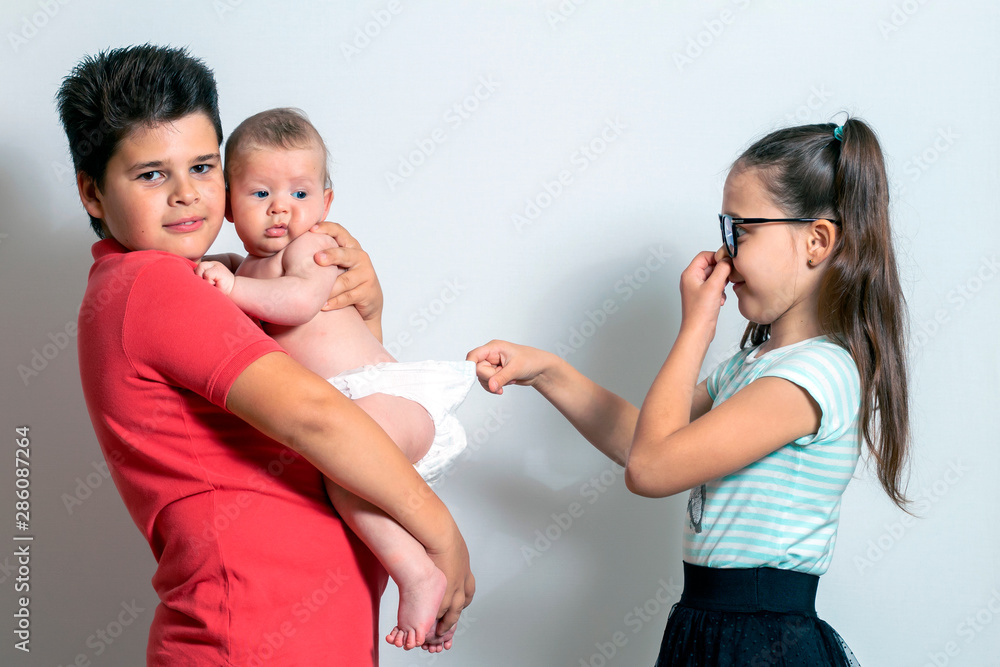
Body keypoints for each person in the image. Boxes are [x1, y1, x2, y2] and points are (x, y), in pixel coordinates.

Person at [57, 44, 474, 666]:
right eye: (150, 175)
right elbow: (318, 415)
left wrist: (363, 310)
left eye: (202, 167)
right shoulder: (151, 283)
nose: (186, 195)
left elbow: (342, 385)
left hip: (303, 636)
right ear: (93, 193)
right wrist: (443, 537)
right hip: (250, 639)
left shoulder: (205, 282)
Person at [469, 119, 909, 666]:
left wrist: (696, 328)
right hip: (709, 626)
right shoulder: (752, 366)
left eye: (741, 230)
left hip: (762, 643)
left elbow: (650, 469)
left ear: (816, 241)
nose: (724, 252)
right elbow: (643, 442)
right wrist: (547, 372)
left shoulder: (815, 376)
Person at [196, 107, 476, 652]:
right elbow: (235, 274)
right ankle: (429, 588)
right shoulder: (246, 266)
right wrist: (215, 269)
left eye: (300, 193)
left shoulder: (312, 249)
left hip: (388, 397)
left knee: (343, 461)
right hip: (359, 408)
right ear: (228, 204)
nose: (281, 208)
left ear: (326, 204)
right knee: (347, 478)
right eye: (260, 194)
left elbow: (297, 301)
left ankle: (417, 572)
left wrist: (228, 287)